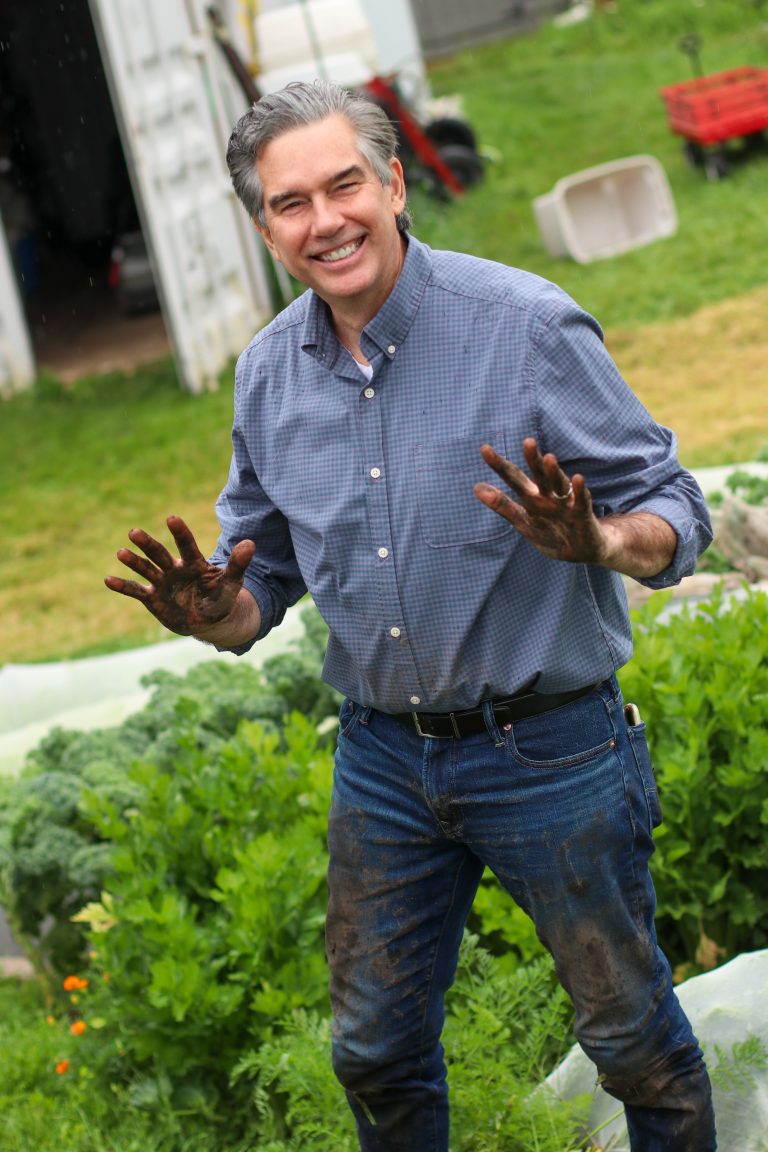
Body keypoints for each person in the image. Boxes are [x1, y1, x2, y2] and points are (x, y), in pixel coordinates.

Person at [105, 80, 716, 1151]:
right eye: (291, 203)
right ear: (264, 227)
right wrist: (215, 610)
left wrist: (604, 542)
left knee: (632, 1042)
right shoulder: (267, 377)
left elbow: (676, 507)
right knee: (375, 1050)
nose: (325, 219)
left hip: (553, 750)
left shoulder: (523, 328)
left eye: (345, 184)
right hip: (385, 762)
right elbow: (265, 576)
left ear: (394, 182)